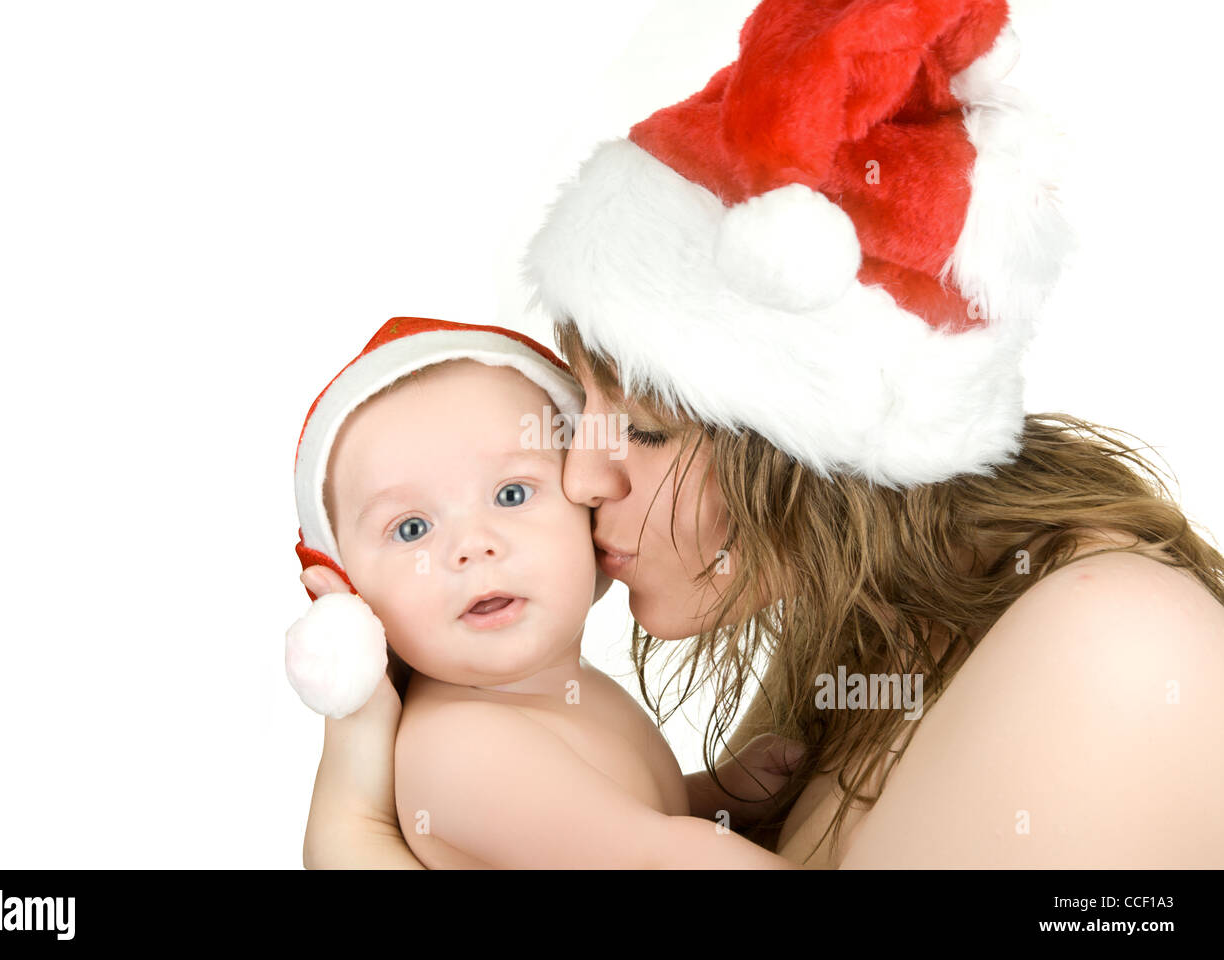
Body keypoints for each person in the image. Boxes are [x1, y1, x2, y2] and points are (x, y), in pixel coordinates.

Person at [301, 0, 1224, 868]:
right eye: (582, 419)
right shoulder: (862, 637)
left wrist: (359, 844)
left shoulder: (1115, 645)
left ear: (819, 456)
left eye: (651, 433)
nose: (578, 479)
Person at [289, 316, 804, 867]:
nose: (473, 546)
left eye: (511, 494)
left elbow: (601, 830)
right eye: (411, 528)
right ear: (349, 598)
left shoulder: (555, 698)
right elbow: (657, 857)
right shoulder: (461, 748)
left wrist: (718, 795)